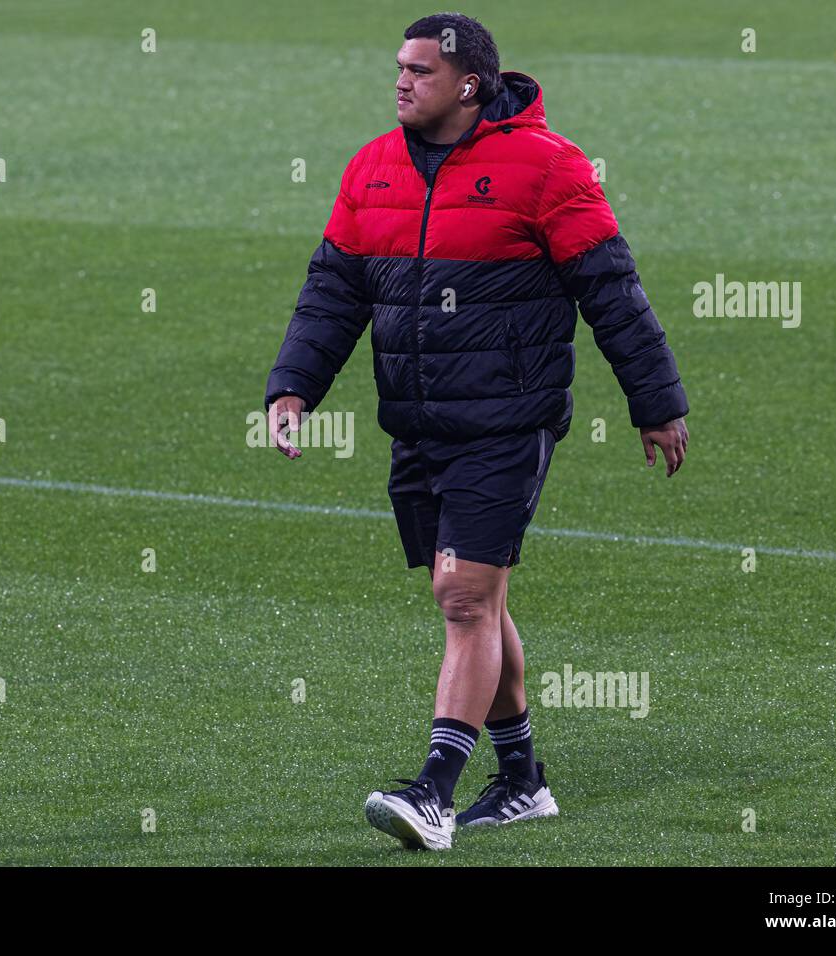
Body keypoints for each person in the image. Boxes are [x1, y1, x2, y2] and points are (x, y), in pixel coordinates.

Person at [263, 13, 689, 851]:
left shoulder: (547, 167)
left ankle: (432, 791)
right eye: (398, 67)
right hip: (419, 424)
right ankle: (525, 783)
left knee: (462, 597)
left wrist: (656, 399)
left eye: (420, 71)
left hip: (507, 421)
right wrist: (294, 387)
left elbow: (611, 288)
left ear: (467, 85)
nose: (401, 82)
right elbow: (335, 291)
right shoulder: (373, 168)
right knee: (480, 602)